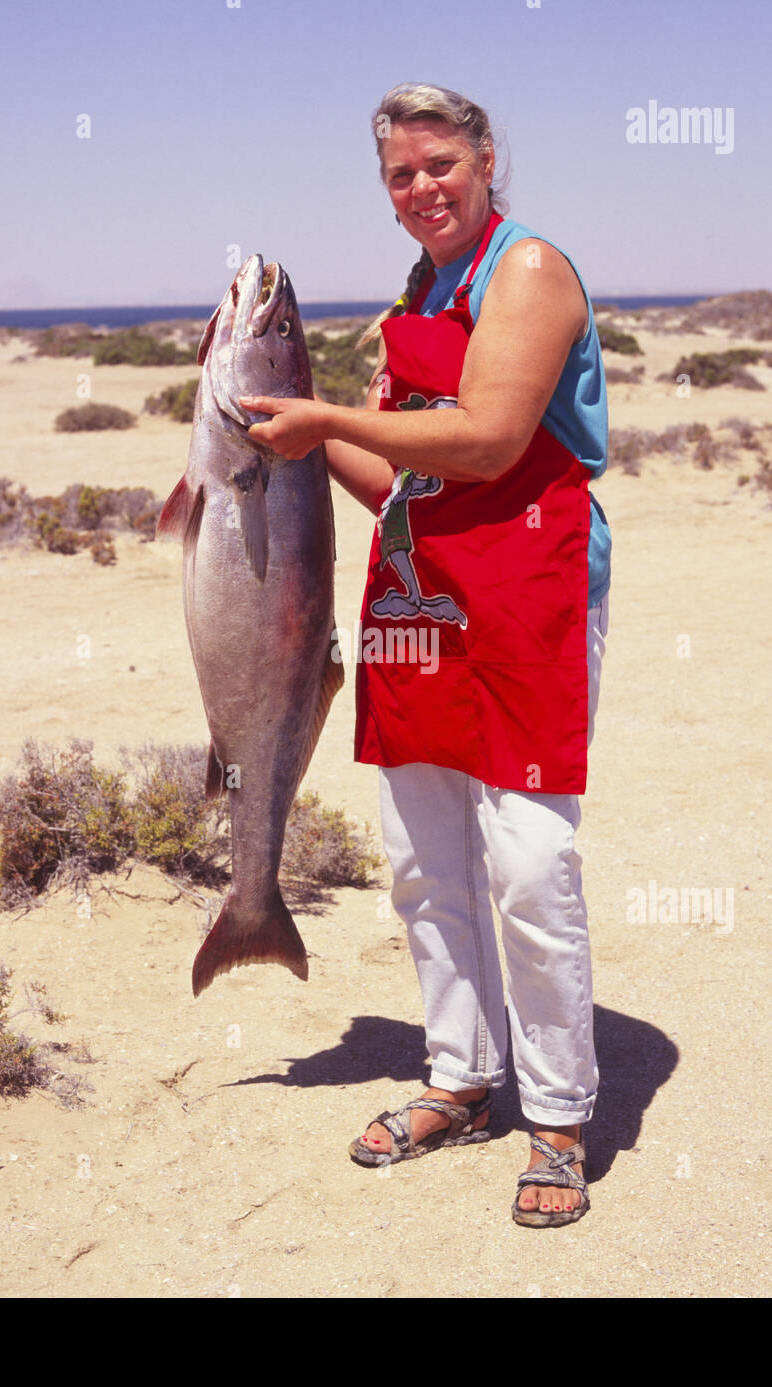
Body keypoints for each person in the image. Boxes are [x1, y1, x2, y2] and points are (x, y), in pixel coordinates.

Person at [240, 82, 611, 1228]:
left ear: (487, 159)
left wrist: (332, 418)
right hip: (418, 597)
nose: (422, 188)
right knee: (420, 862)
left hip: (525, 592)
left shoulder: (529, 270)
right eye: (400, 174)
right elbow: (396, 481)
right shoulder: (419, 291)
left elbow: (492, 440)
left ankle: (556, 1114)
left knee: (529, 864)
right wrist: (280, 436)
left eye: (439, 163)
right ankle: (460, 1075)